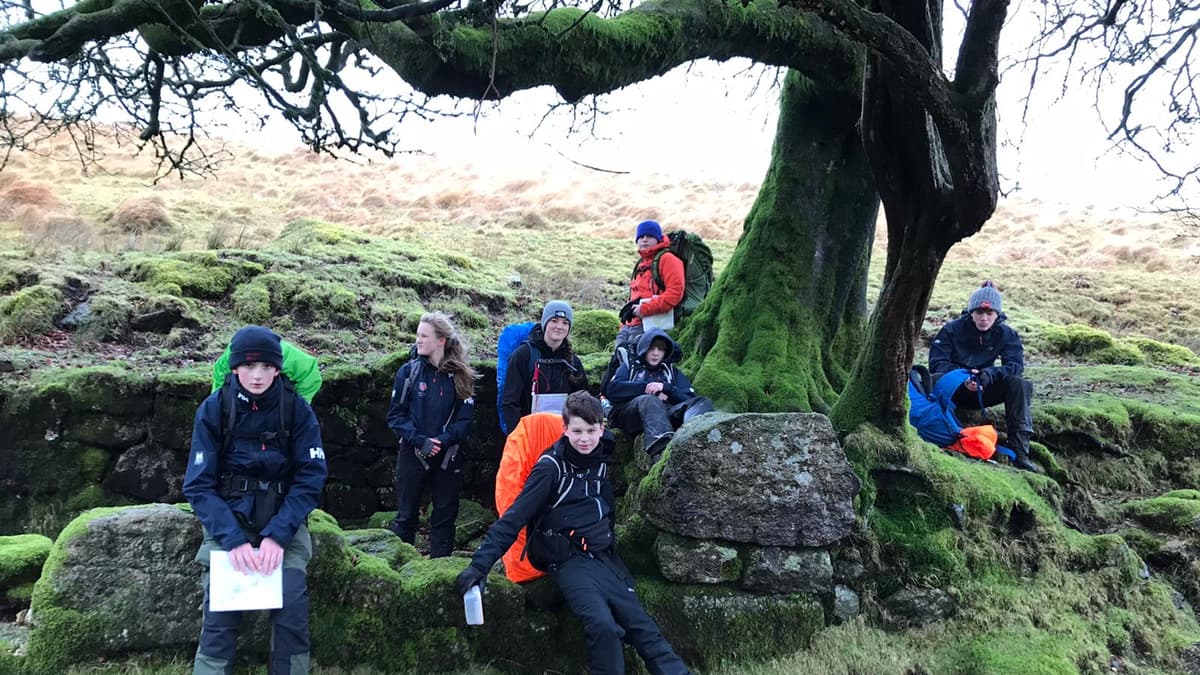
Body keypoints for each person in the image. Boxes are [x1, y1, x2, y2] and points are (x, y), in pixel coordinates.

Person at [455, 392, 692, 675]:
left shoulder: (600, 460)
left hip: (602, 556)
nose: (584, 439)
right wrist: (478, 566)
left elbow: (606, 511)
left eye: (591, 431)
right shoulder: (550, 468)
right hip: (567, 558)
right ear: (564, 429)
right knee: (602, 626)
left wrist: (612, 556)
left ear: (602, 429)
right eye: (576, 431)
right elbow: (513, 518)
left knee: (644, 628)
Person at [183, 325, 328, 675]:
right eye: (249, 367)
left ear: (278, 368)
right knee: (220, 619)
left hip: (284, 523)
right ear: (234, 368)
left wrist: (278, 536)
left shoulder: (296, 410)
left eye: (266, 366)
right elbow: (198, 485)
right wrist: (233, 542)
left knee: (291, 608)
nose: (258, 375)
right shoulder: (214, 408)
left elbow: (312, 476)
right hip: (228, 523)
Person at [386, 311, 478, 557]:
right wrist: (420, 440)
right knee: (405, 516)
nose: (418, 340)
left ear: (441, 341)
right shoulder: (408, 372)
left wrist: (443, 441)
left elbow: (465, 421)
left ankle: (441, 567)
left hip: (448, 456)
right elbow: (395, 416)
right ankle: (399, 567)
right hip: (413, 452)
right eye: (418, 335)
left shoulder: (461, 375)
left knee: (445, 517)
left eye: (424, 336)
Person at [929, 280, 1039, 472]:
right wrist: (961, 378)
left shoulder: (1006, 333)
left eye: (989, 313)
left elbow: (1015, 366)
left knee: (1020, 384)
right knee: (933, 379)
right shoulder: (951, 329)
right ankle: (938, 434)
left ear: (997, 314)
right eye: (979, 312)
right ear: (971, 312)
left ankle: (1021, 452)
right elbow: (937, 363)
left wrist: (989, 375)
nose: (984, 318)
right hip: (954, 389)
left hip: (985, 388)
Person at [606, 328, 713, 460]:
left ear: (666, 352)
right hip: (631, 415)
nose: (656, 353)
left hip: (666, 412)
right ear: (644, 348)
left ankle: (695, 437)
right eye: (651, 348)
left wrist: (667, 388)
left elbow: (689, 398)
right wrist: (646, 388)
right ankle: (662, 453)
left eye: (661, 349)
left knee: (702, 402)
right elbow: (612, 390)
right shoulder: (630, 366)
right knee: (650, 401)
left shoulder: (672, 372)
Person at [500, 300, 589, 434]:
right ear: (545, 323)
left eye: (565, 323)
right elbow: (510, 401)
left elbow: (583, 400)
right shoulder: (523, 355)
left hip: (562, 434)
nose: (559, 326)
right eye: (554, 320)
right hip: (528, 432)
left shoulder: (573, 361)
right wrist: (518, 435)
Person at [616, 219, 685, 349]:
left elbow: (675, 293)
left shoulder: (668, 259)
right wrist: (624, 324)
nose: (644, 239)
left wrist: (644, 309)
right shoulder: (641, 263)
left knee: (636, 364)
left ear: (658, 239)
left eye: (649, 236)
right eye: (641, 237)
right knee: (618, 363)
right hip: (629, 326)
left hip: (652, 327)